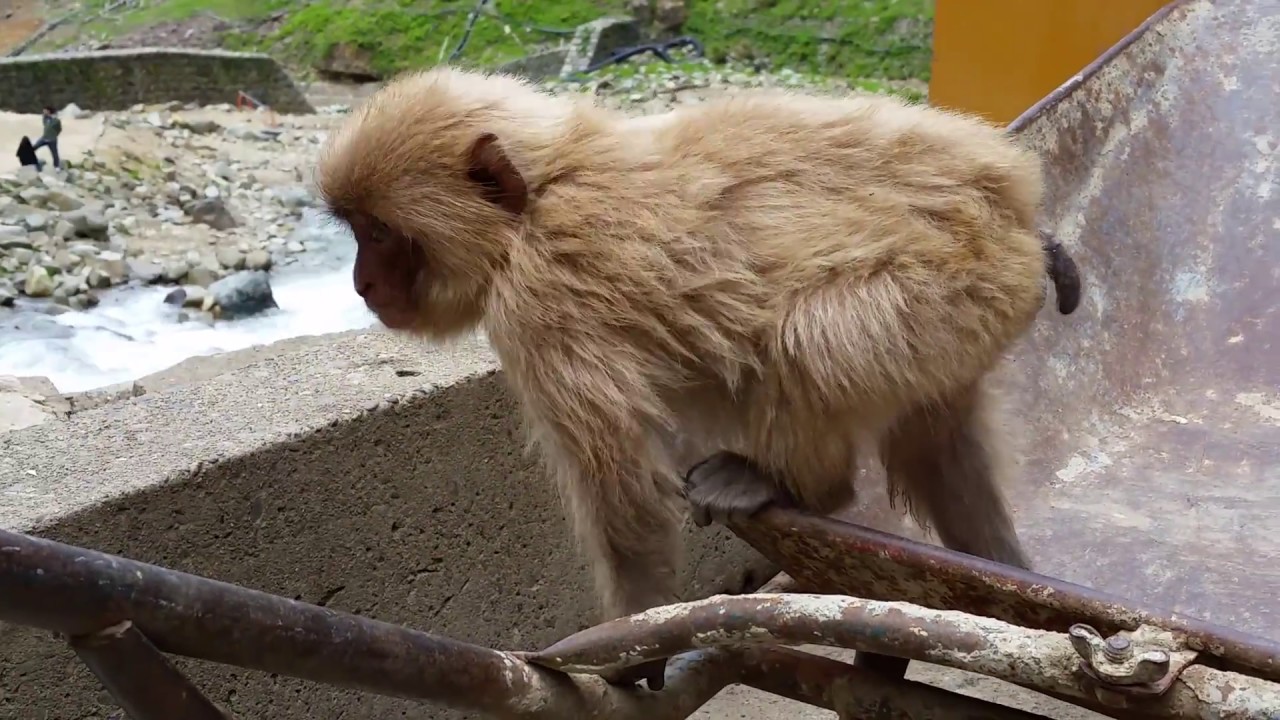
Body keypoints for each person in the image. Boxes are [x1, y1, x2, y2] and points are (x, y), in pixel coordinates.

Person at [33, 106, 62, 171]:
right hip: (44, 138)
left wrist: (54, 135)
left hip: (52, 139)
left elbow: (59, 129)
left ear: (48, 111)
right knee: (33, 148)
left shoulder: (56, 120)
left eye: (45, 110)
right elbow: (44, 123)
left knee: (54, 154)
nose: (43, 112)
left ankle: (56, 167)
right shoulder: (45, 119)